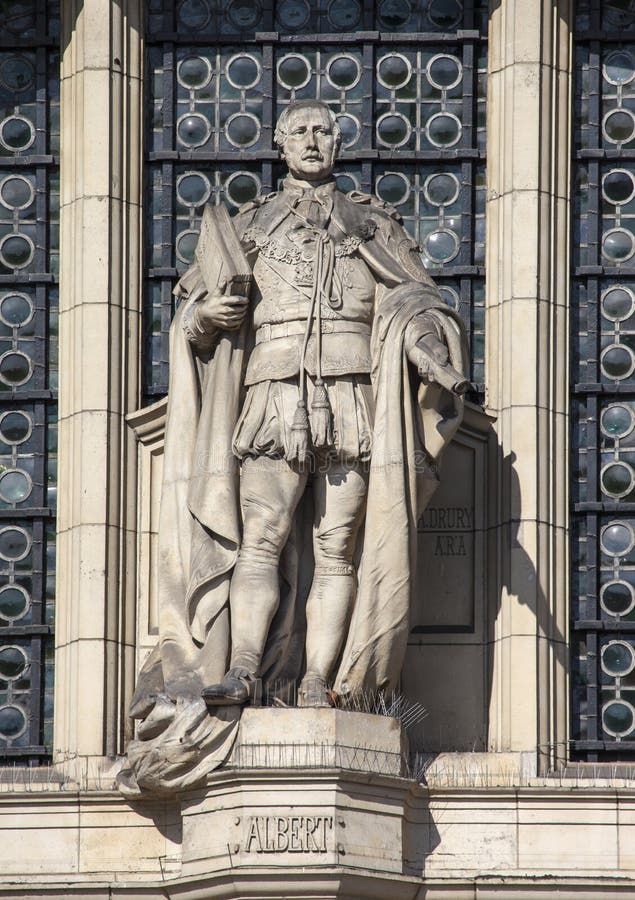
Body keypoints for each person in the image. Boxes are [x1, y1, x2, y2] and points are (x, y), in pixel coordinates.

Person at [118, 99, 467, 795]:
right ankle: (244, 666)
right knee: (260, 542)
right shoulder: (247, 225)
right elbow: (194, 309)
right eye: (300, 131)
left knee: (338, 548)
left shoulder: (372, 223)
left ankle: (318, 678)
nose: (313, 141)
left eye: (325, 131)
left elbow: (418, 300)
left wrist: (427, 349)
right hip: (271, 394)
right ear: (280, 145)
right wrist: (202, 319)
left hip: (352, 396)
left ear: (339, 143)